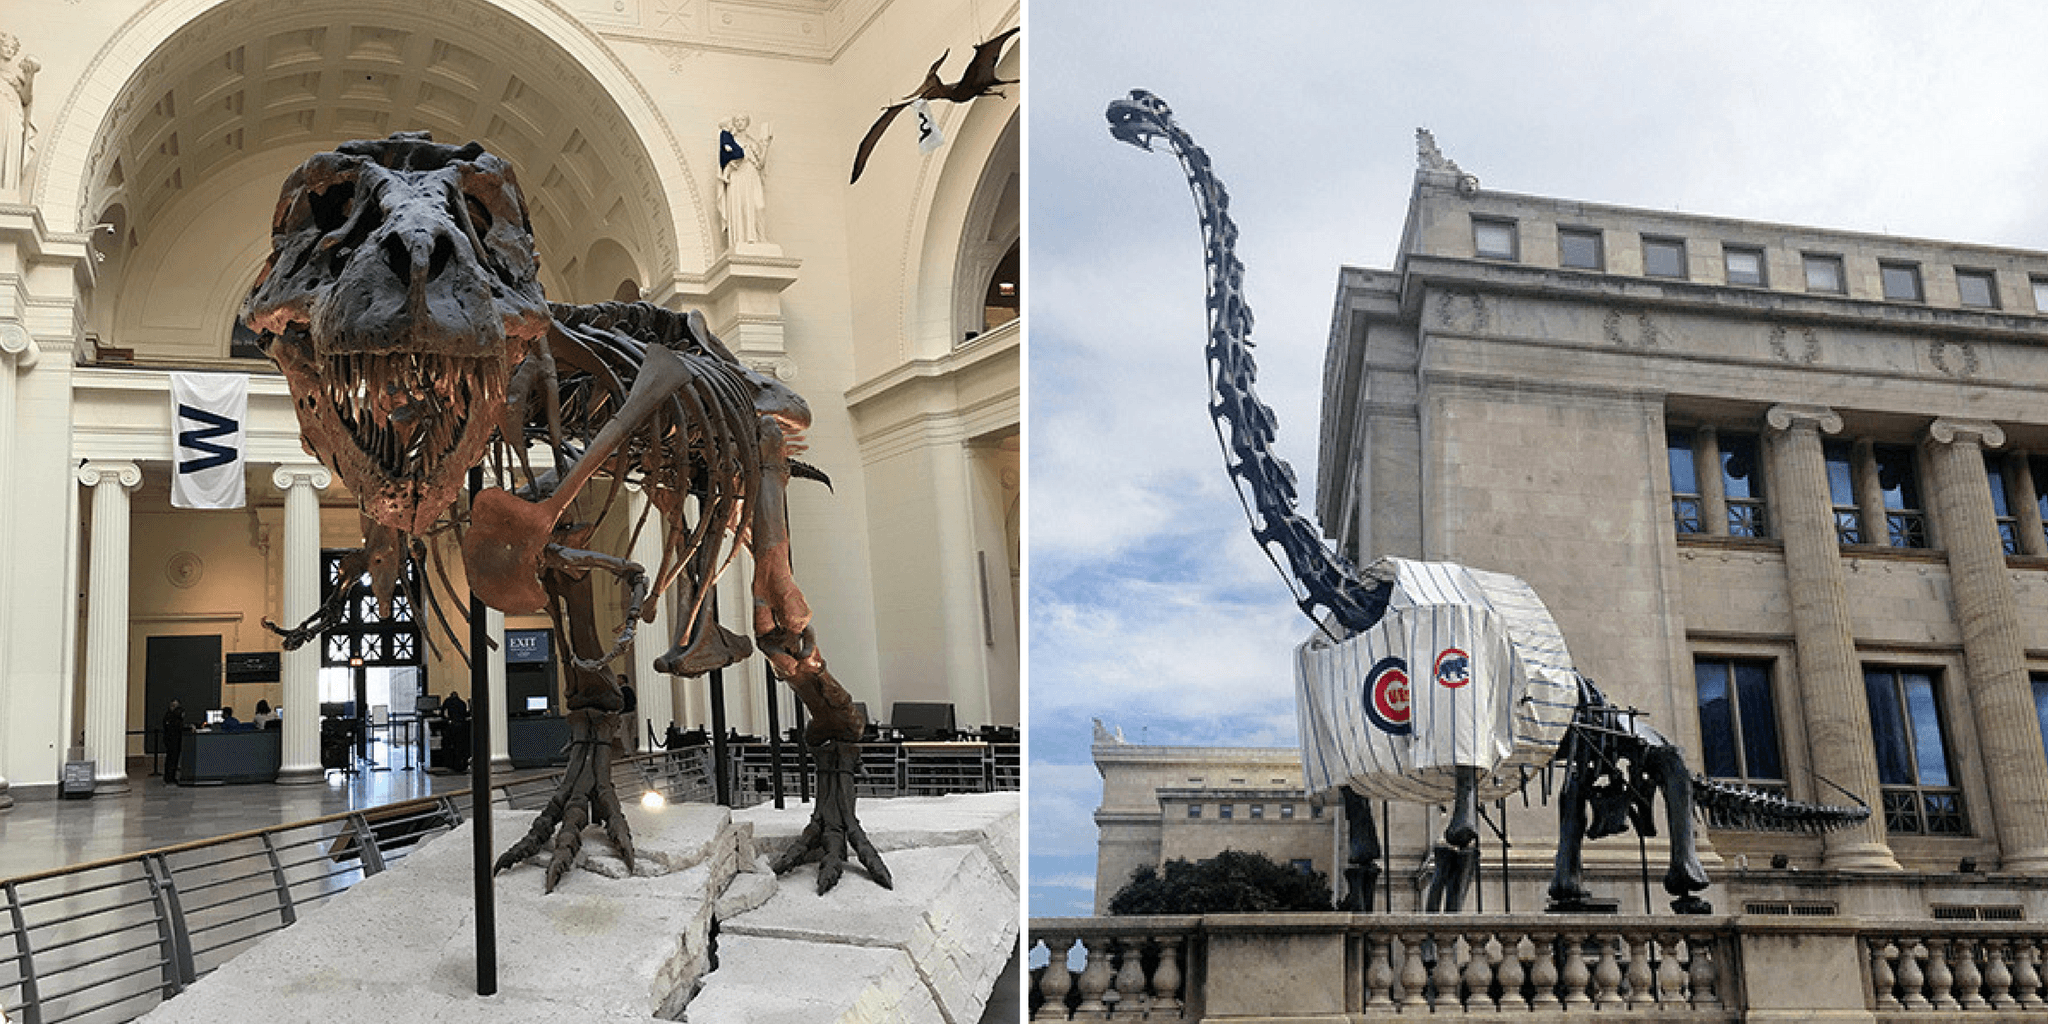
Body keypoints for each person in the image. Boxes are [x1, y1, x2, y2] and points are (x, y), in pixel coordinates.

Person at [717, 114, 770, 249]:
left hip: (751, 174)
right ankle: (741, 239)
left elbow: (761, 164)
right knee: (740, 207)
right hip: (737, 176)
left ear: (747, 123)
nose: (740, 123)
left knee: (759, 206)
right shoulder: (730, 140)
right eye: (737, 120)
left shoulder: (752, 143)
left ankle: (760, 238)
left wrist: (766, 146)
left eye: (742, 120)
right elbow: (724, 159)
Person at [160, 700, 186, 784]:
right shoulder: (173, 717)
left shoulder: (168, 716)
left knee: (170, 759)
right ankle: (170, 777)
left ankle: (169, 776)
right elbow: (178, 727)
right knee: (172, 759)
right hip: (173, 740)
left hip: (170, 740)